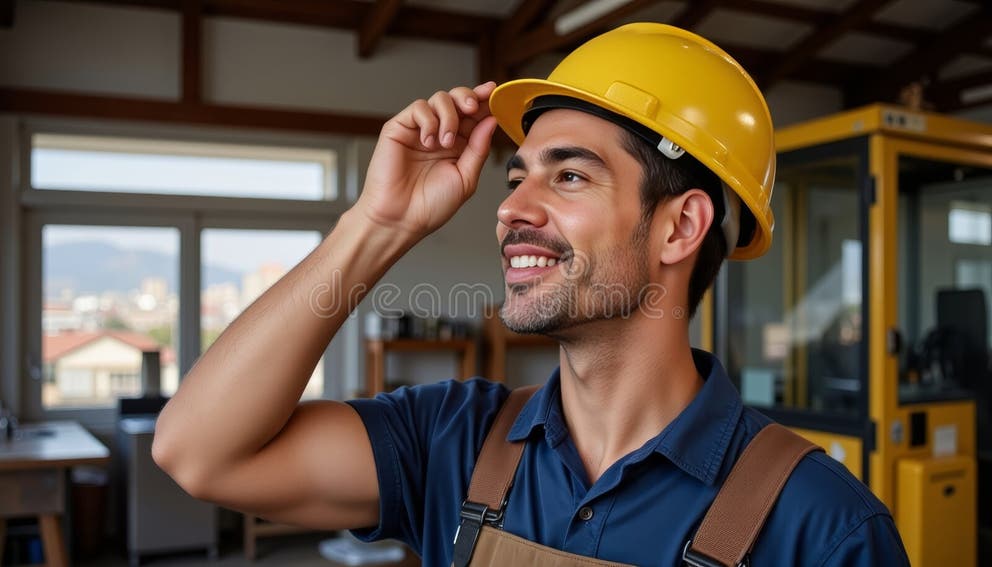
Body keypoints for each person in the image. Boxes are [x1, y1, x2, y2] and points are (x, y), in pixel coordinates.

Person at [153, 23, 909, 566]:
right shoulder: (452, 441)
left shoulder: (824, 528)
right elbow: (197, 452)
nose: (511, 207)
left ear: (681, 226)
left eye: (570, 175)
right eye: (517, 176)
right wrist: (376, 223)